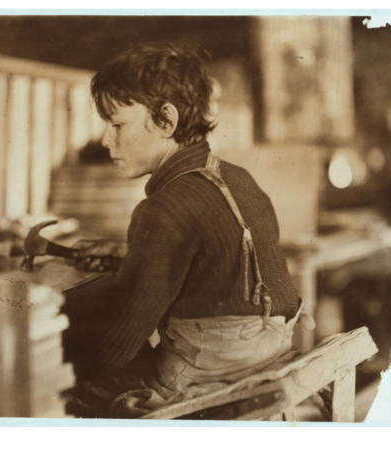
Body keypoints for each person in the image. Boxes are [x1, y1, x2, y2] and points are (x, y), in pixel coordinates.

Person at [61, 41, 314, 419]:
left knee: (74, 378)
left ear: (166, 119)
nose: (105, 139)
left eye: (116, 124)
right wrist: (130, 258)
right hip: (269, 358)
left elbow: (119, 345)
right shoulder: (237, 177)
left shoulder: (162, 209)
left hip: (206, 381)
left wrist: (56, 349)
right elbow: (219, 267)